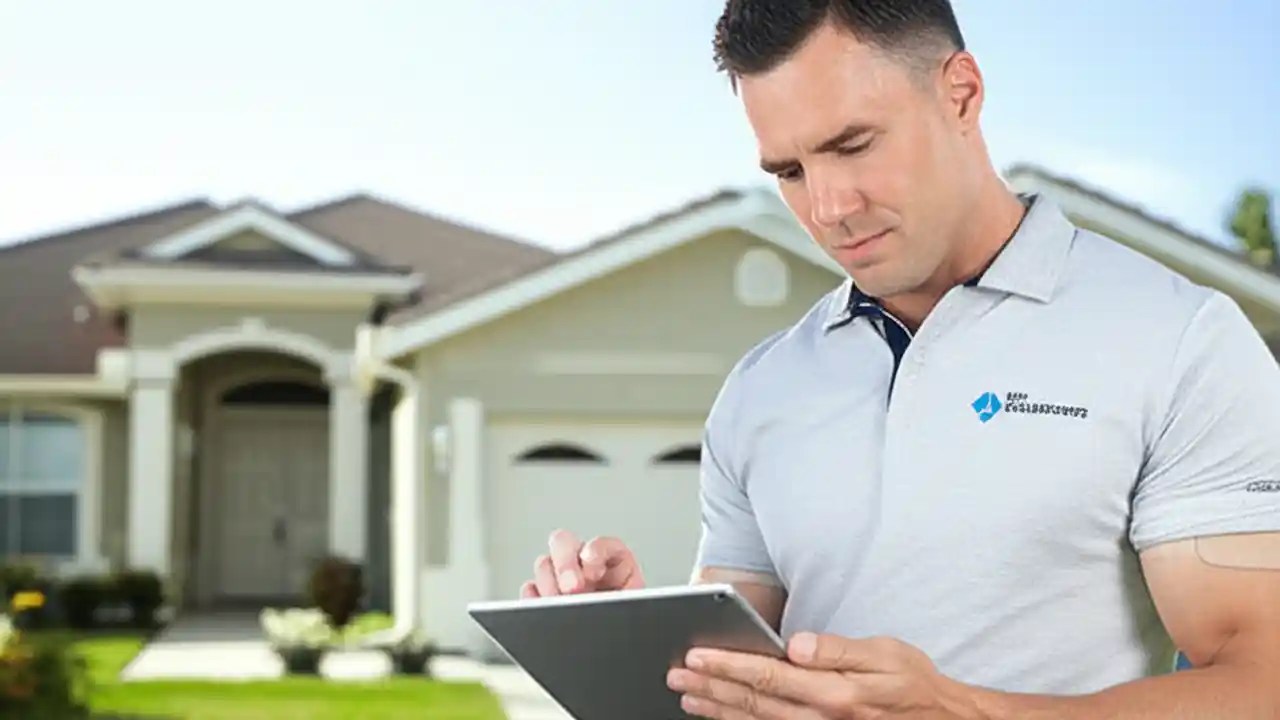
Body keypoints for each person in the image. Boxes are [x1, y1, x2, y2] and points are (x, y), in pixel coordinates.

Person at [521, 1, 1280, 716]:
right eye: (788, 171)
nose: (827, 207)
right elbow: (733, 682)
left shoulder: (1178, 339)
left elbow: (1262, 683)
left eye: (853, 145)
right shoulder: (761, 389)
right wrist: (633, 641)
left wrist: (969, 712)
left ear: (961, 94)